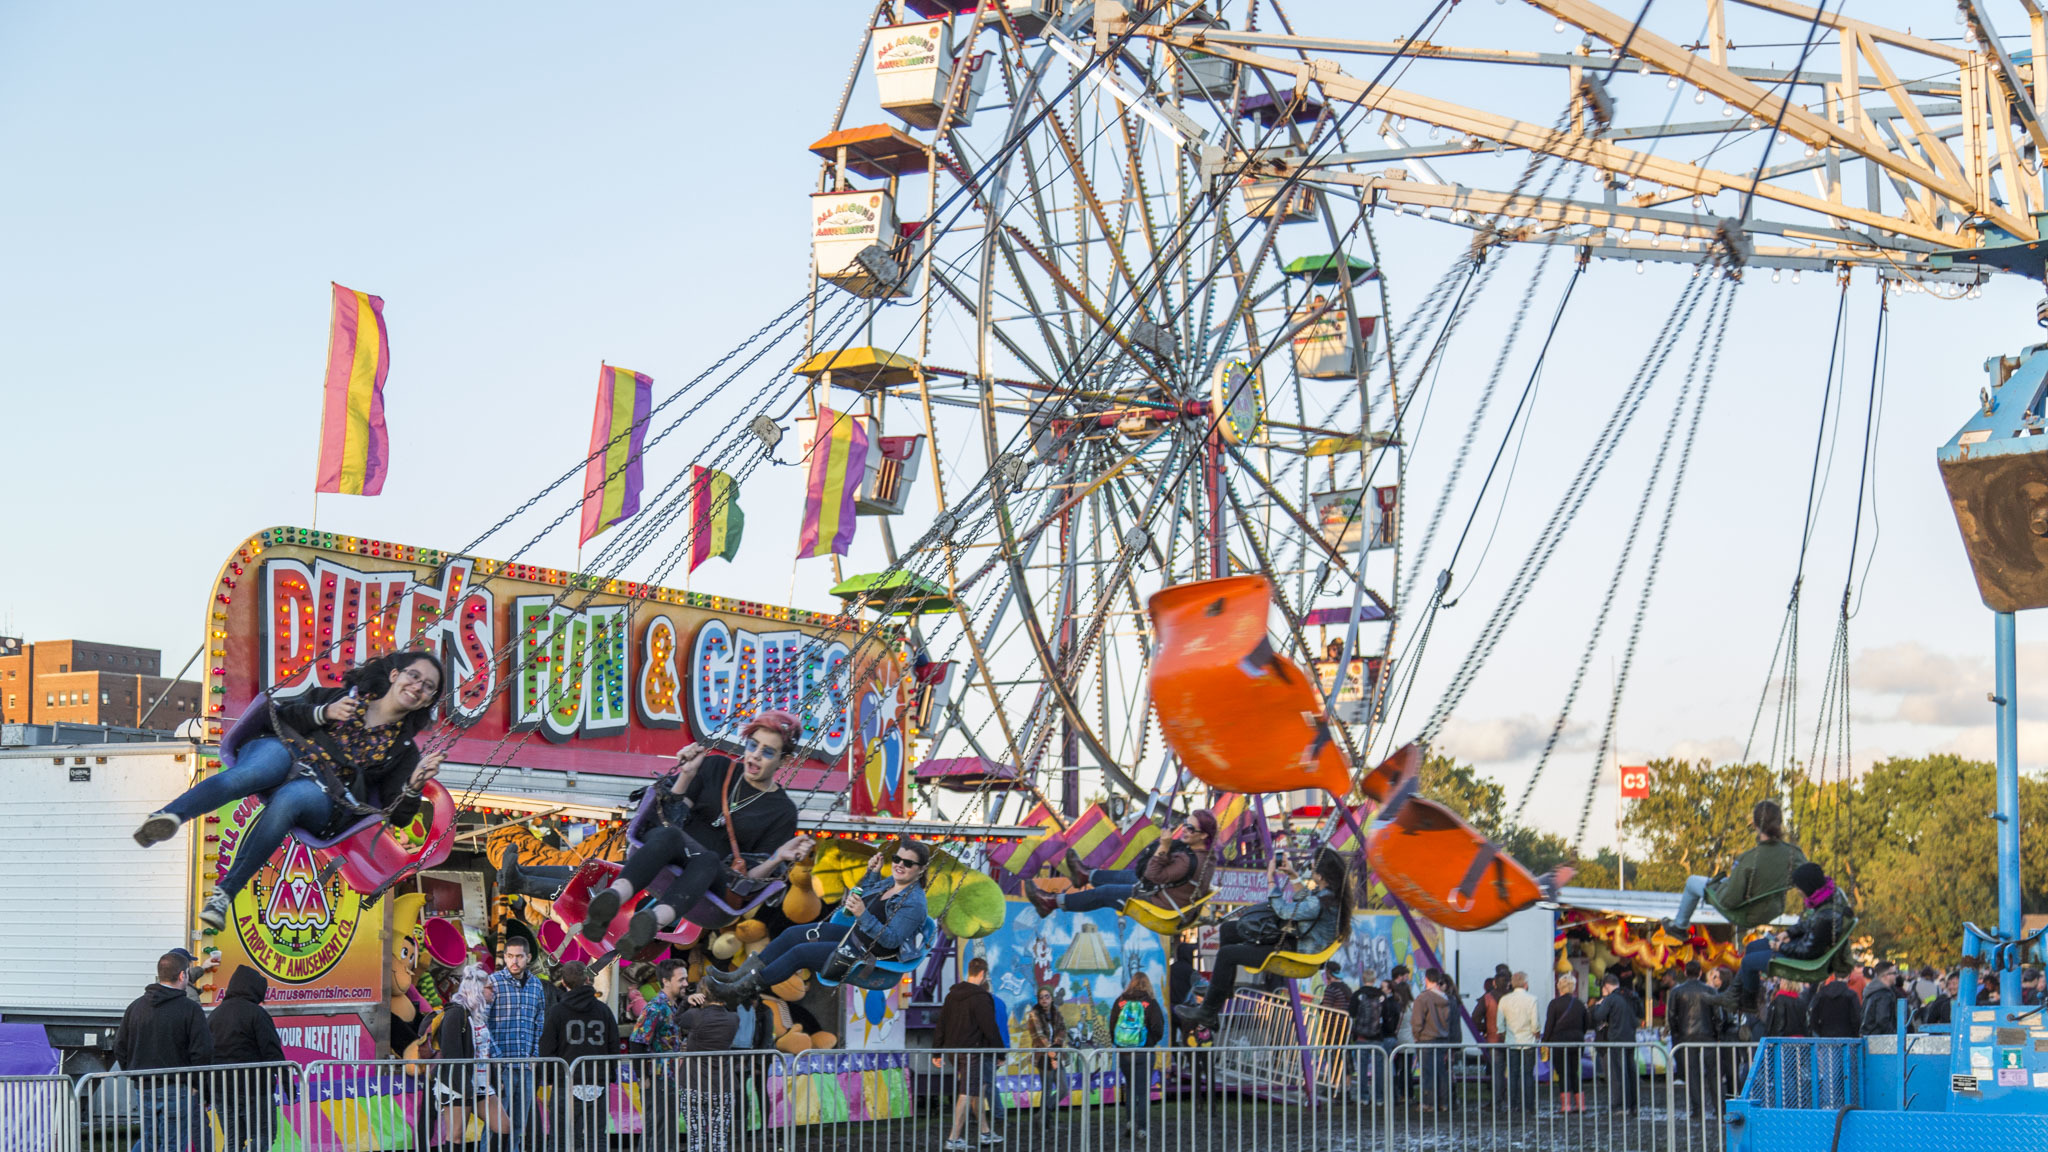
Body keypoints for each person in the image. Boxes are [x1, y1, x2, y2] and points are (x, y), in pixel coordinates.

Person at [134, 651, 446, 929]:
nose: (418, 687)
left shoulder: (403, 751)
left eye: (428, 687)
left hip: (327, 795)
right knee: (249, 774)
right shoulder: (343, 698)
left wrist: (414, 786)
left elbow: (400, 817)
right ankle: (169, 817)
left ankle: (224, 895)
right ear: (395, 675)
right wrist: (324, 713)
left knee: (289, 799)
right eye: (414, 676)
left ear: (429, 700)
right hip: (290, 751)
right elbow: (283, 713)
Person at [580, 713, 816, 954]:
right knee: (669, 835)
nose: (755, 755)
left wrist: (777, 857)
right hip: (670, 850)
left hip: (716, 880)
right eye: (753, 745)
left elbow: (752, 881)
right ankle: (613, 898)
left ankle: (653, 921)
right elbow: (669, 819)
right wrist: (687, 775)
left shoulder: (782, 811)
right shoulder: (717, 767)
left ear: (783, 761)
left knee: (708, 860)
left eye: (767, 752)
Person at [705, 840, 931, 1003]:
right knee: (792, 935)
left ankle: (739, 990)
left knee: (800, 953)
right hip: (855, 934)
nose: (899, 865)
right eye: (897, 859)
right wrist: (871, 873)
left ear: (920, 870)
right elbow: (861, 894)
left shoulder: (915, 903)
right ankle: (738, 976)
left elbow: (891, 940)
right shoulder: (889, 882)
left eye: (908, 863)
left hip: (869, 952)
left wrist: (862, 914)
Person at [1172, 848, 1354, 1031]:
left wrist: (1270, 879)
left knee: (1228, 955)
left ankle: (1208, 1012)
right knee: (1228, 930)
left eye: (1313, 868)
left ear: (1321, 876)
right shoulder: (1327, 897)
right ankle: (1223, 990)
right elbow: (1304, 900)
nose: (1311, 870)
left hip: (1294, 950)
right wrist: (1292, 875)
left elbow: (1283, 910)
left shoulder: (1320, 902)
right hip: (1295, 941)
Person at [1026, 810, 1218, 917]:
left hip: (1162, 905)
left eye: (1191, 828)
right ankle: (1086, 875)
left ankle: (1052, 903)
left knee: (1106, 892)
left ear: (1203, 835)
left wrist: (1164, 847)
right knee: (1132, 875)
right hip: (1170, 891)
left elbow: (1153, 874)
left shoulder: (1188, 861)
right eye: (1185, 823)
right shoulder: (1206, 855)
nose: (1184, 829)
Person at [114, 952, 214, 1152]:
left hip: (144, 1086)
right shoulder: (190, 1009)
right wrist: (197, 1086)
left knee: (149, 1142)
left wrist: (134, 1073)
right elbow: (202, 1051)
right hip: (178, 1087)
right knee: (174, 1143)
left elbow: (120, 1047)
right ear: (182, 976)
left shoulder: (135, 1007)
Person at [1670, 799, 1806, 932]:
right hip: (1775, 909)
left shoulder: (1748, 860)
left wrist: (1719, 887)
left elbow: (1728, 900)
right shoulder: (1794, 854)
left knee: (1692, 881)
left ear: (1755, 825)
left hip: (1745, 916)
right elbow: (1810, 881)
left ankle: (1679, 926)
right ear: (1780, 822)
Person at [1735, 862, 1853, 1009]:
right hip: (1807, 945)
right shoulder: (1829, 897)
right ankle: (1735, 993)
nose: (1798, 891)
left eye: (1800, 888)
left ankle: (1749, 1003)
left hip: (1809, 960)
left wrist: (1780, 946)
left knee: (1748, 962)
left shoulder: (1826, 917)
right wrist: (1788, 932)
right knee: (1752, 946)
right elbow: (1811, 923)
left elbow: (1808, 951)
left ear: (1809, 887)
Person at [539, 962, 619, 1152]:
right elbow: (613, 1046)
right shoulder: (603, 1011)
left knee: (560, 1140)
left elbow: (546, 1048)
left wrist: (550, 1078)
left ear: (564, 983)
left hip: (565, 1083)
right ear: (588, 980)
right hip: (597, 1083)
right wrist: (608, 1075)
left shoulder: (557, 1012)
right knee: (596, 1139)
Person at [209, 966, 285, 1152]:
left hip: (221, 1088)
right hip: (254, 1088)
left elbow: (206, 1052)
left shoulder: (215, 1015)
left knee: (233, 1140)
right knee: (264, 1136)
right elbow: (271, 1050)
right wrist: (286, 1079)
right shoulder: (257, 1014)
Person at [434, 965, 513, 1145]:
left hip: (481, 1085)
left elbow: (484, 1052)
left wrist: (494, 1079)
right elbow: (452, 1056)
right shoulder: (455, 1013)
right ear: (477, 989)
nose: (493, 992)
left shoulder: (477, 1015)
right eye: (490, 988)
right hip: (458, 1085)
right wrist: (465, 1089)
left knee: (504, 1127)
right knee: (456, 1135)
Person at [935, 957, 1003, 1150]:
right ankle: (953, 1138)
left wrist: (937, 1050)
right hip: (973, 1052)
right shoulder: (981, 997)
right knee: (967, 1093)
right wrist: (1000, 1052)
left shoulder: (952, 995)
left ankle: (985, 1132)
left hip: (955, 1051)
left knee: (976, 1090)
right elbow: (990, 1027)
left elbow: (942, 1023)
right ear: (982, 973)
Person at [486, 937, 547, 1151]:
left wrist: (534, 1056)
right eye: (510, 956)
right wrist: (496, 1057)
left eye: (519, 956)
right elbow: (482, 1023)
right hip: (500, 1066)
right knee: (493, 1123)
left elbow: (539, 1022)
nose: (514, 961)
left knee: (520, 1123)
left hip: (526, 1067)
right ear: (504, 957)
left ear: (528, 958)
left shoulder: (536, 985)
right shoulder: (493, 983)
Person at [629, 961, 692, 1152]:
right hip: (657, 1080)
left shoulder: (673, 1006)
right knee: (656, 1130)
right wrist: (643, 1077)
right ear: (665, 981)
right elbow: (636, 1041)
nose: (686, 983)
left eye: (686, 978)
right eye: (681, 979)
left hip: (670, 1079)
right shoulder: (655, 1007)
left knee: (666, 1129)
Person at [676, 992, 741, 1152]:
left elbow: (677, 1020)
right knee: (719, 1138)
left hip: (693, 1083)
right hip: (723, 1085)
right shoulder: (734, 1018)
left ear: (702, 996)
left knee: (695, 1138)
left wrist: (686, 1001)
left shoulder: (694, 1015)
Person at [1108, 972, 1166, 1137]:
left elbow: (1112, 1026)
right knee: (1142, 1091)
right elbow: (1158, 1029)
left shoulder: (1120, 1002)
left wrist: (1120, 1044)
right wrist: (1148, 1043)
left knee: (1130, 1088)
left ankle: (1129, 1123)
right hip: (1144, 1053)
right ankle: (1142, 1128)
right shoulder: (1151, 1003)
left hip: (1125, 1053)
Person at [1591, 972, 1640, 1115]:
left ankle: (1619, 1105)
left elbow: (1598, 1015)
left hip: (1616, 1039)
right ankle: (1633, 1105)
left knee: (1618, 1073)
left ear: (1606, 986)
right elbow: (1640, 1012)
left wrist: (1598, 1006)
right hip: (1631, 1037)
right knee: (1631, 1071)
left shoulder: (1611, 999)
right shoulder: (1631, 996)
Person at [1542, 973, 1588, 1114]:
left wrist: (1545, 1042)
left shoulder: (1554, 1004)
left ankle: (1566, 1105)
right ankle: (1581, 1105)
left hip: (1560, 1042)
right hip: (1577, 1041)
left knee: (1563, 1073)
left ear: (1559, 987)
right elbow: (1586, 1024)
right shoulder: (1580, 1004)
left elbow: (1549, 1026)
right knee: (1574, 1072)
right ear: (1573, 988)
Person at [1411, 968, 1454, 1112]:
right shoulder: (1447, 999)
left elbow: (1417, 1021)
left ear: (1427, 979)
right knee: (1441, 1072)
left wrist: (1417, 1036)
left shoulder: (1422, 998)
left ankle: (1428, 1103)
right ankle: (1444, 1103)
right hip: (1442, 1039)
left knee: (1427, 1073)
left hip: (1426, 1039)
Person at [1497, 972, 1540, 1112]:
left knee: (1512, 1074)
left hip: (1511, 1041)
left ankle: (1512, 1104)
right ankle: (1529, 1105)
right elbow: (1535, 1024)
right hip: (1528, 1041)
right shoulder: (1532, 999)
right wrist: (1536, 1033)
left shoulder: (1504, 1000)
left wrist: (1504, 1034)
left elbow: (1500, 1024)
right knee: (1528, 1074)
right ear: (1526, 984)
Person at [1021, 983, 1068, 1096]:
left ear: (1051, 998)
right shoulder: (1034, 1014)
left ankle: (1046, 1110)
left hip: (1056, 1053)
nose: (1044, 999)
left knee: (1063, 1089)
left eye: (1047, 996)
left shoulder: (1056, 1013)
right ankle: (1043, 1113)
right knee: (1047, 1090)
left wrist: (1055, 1052)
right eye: (1041, 997)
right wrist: (1051, 1053)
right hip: (1043, 1056)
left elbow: (1062, 1030)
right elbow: (1039, 1036)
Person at [1808, 972, 1860, 1038]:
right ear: (1848, 976)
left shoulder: (1821, 994)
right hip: (1847, 1038)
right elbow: (1856, 1019)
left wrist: (1820, 1032)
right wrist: (1855, 1034)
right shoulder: (1851, 995)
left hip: (1826, 1037)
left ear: (1835, 975)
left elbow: (1813, 1018)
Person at [1861, 962, 1901, 1035]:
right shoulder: (1883, 995)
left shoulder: (1871, 990)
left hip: (1870, 1037)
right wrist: (1893, 1036)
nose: (1897, 976)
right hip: (1880, 1039)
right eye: (1894, 973)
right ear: (1885, 976)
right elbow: (1883, 1020)